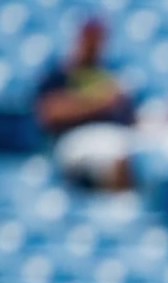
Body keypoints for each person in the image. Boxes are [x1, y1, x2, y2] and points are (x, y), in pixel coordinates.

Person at [35, 17, 137, 190]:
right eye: (90, 38)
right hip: (74, 141)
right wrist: (99, 101)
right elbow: (49, 113)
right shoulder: (60, 74)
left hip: (116, 135)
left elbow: (131, 118)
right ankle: (120, 204)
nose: (95, 45)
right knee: (116, 156)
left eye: (99, 39)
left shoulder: (109, 74)